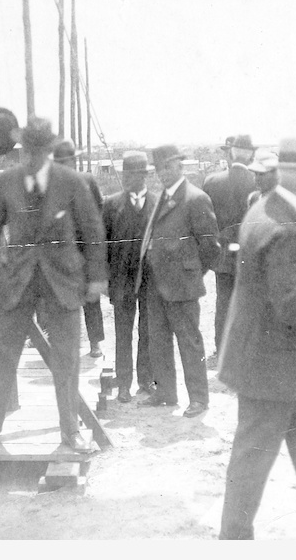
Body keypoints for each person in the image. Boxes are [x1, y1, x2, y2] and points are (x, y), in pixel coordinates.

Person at [217, 128, 296, 540]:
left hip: (264, 357)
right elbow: (291, 306)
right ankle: (233, 537)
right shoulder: (284, 228)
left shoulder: (266, 208)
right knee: (253, 456)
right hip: (271, 364)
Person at [0, 117, 108, 454]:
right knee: (4, 353)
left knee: (66, 358)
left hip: (62, 279)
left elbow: (94, 233)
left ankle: (70, 431)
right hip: (16, 279)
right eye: (26, 151)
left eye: (37, 151)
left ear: (48, 151)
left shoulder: (73, 182)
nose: (30, 157)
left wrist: (96, 279)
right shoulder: (5, 182)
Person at [139, 144, 220, 416]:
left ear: (180, 166)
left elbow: (210, 246)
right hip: (157, 285)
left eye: (168, 167)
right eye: (159, 168)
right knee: (158, 341)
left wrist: (191, 271)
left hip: (182, 286)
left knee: (189, 342)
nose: (163, 173)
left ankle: (198, 399)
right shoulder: (160, 197)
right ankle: (166, 393)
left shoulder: (196, 198)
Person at [101, 151, 155, 402]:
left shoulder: (157, 204)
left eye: (136, 174)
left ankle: (146, 381)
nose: (130, 179)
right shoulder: (111, 205)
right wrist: (105, 280)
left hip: (149, 280)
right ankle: (123, 384)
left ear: (145, 176)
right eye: (127, 175)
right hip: (121, 280)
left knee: (147, 330)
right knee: (123, 333)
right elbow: (103, 244)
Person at [202, 134, 256, 364]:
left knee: (223, 301)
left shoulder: (212, 181)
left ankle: (222, 348)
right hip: (250, 253)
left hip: (223, 253)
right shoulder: (258, 181)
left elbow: (207, 221)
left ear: (231, 152)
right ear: (251, 153)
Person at [53, 138, 105, 358]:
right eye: (61, 162)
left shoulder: (87, 181)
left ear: (75, 162)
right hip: (59, 252)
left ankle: (95, 343)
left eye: (69, 161)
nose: (66, 166)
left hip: (84, 250)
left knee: (90, 298)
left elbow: (99, 213)